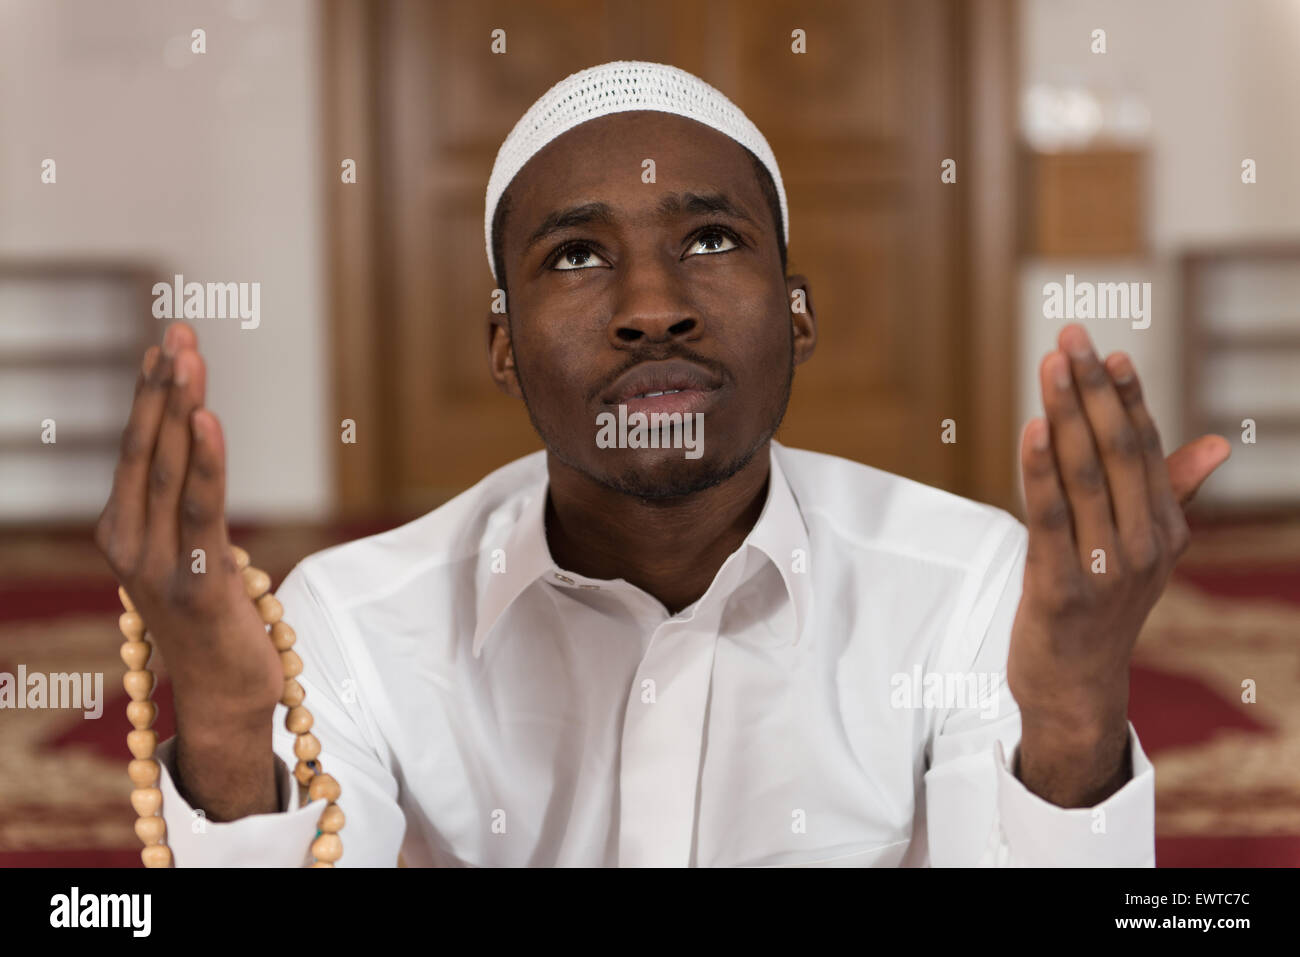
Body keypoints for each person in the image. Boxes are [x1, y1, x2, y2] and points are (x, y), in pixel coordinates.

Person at [95, 60, 1230, 866]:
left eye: (710, 240)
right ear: (501, 345)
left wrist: (1076, 708)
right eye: (577, 254)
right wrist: (237, 727)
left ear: (797, 314)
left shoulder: (969, 586)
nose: (652, 309)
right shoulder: (350, 621)